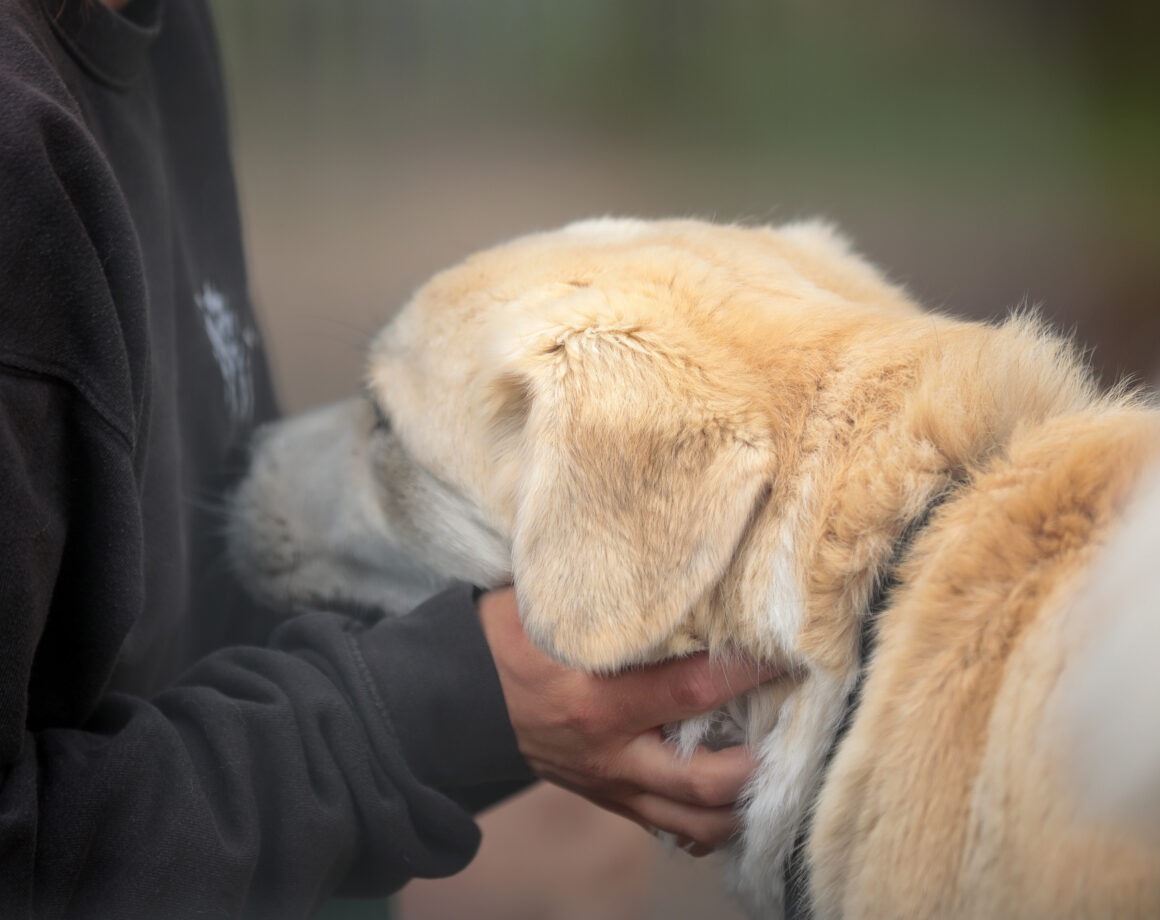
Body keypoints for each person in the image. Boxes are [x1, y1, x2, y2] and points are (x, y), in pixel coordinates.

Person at [0, 0, 774, 916]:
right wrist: (440, 714)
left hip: (225, 784)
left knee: (587, 846)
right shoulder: (21, 156)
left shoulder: (157, 27)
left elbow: (206, 595)